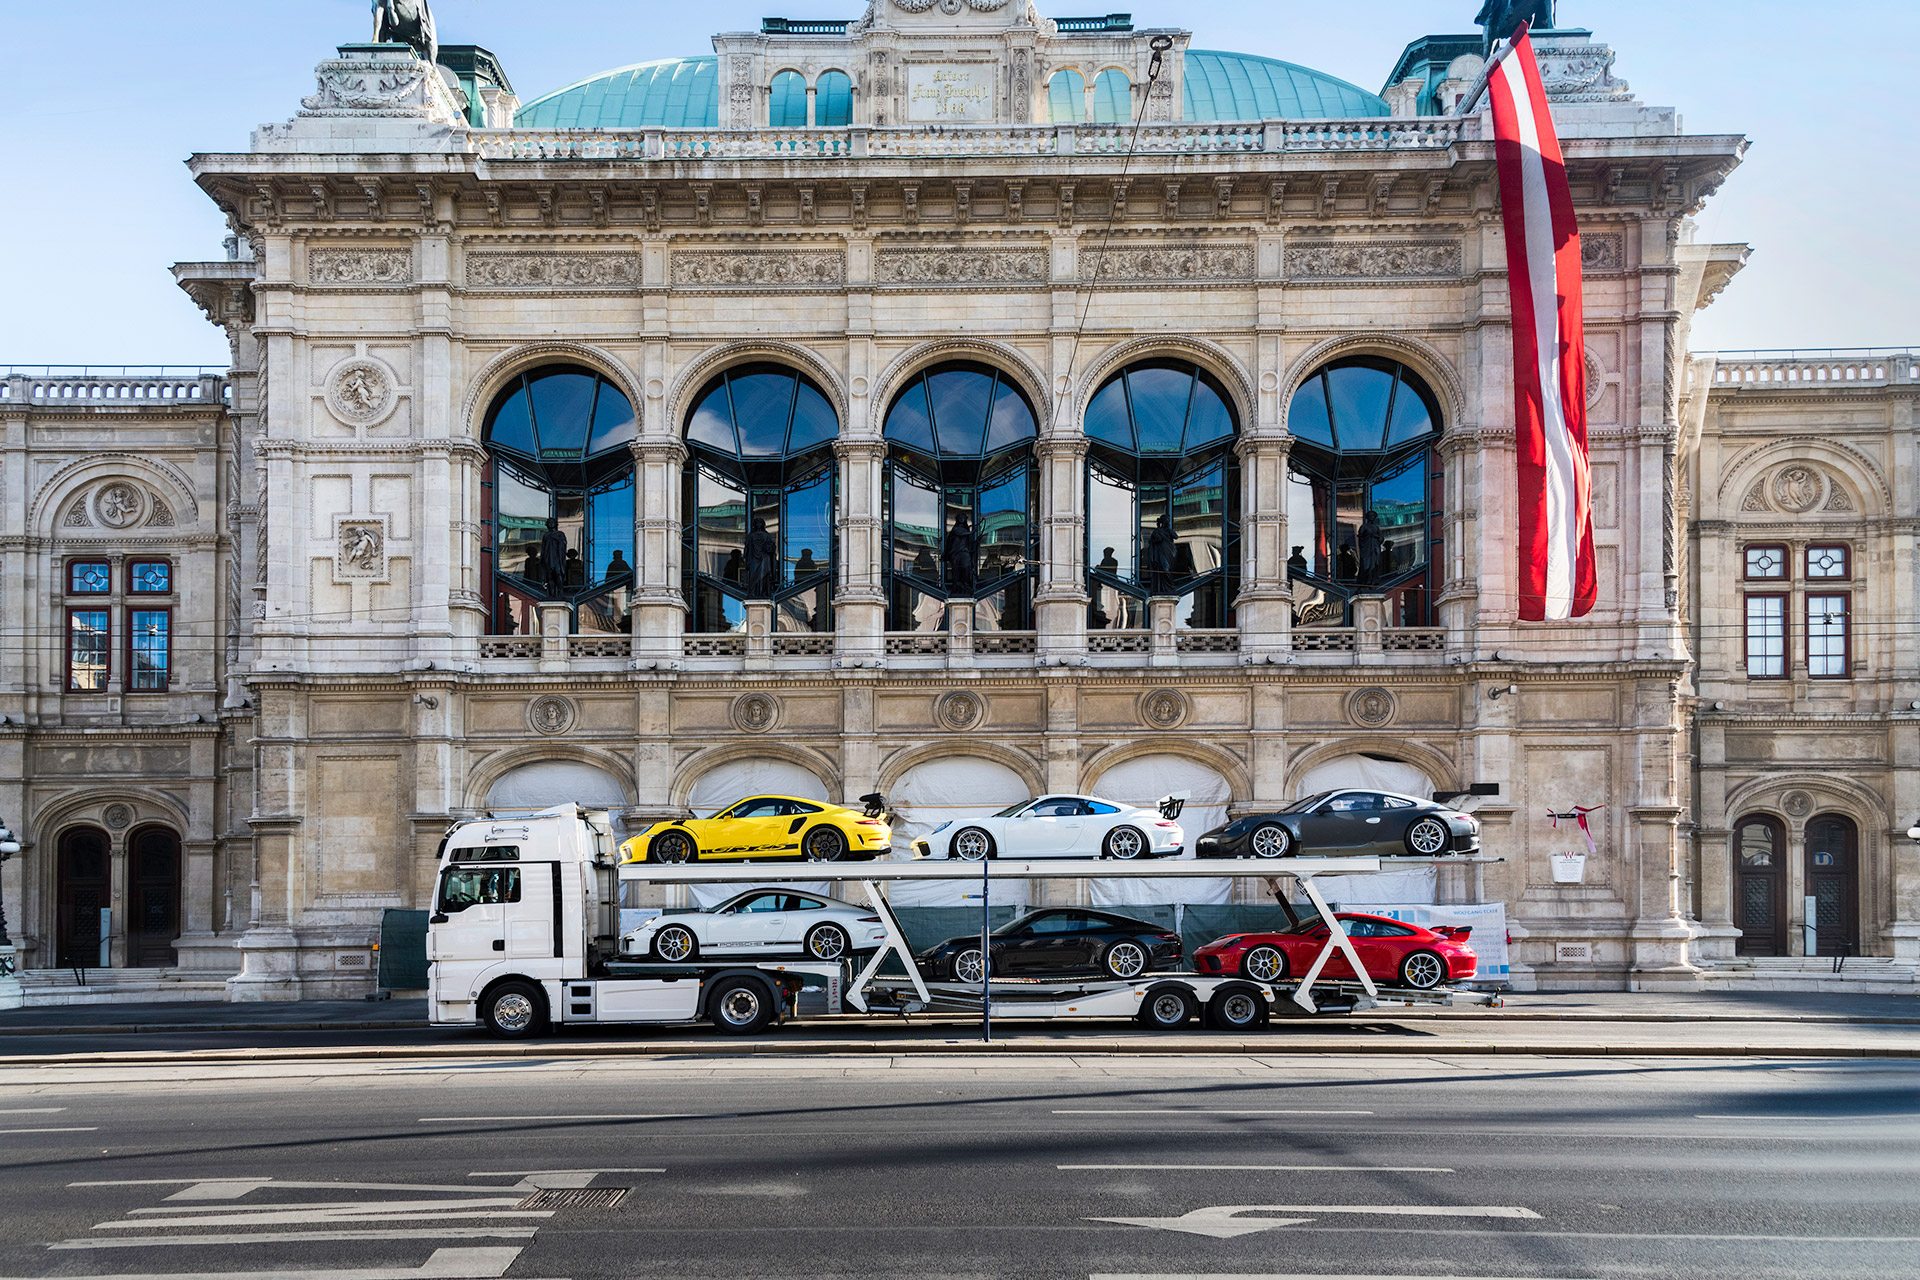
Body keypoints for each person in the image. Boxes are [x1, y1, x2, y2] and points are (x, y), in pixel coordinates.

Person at [942, 517, 977, 596]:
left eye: (963, 516)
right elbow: (960, 533)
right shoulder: (956, 529)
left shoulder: (967, 530)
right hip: (956, 553)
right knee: (957, 570)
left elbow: (970, 543)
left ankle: (966, 585)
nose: (962, 518)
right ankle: (957, 587)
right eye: (960, 516)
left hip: (964, 551)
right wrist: (971, 533)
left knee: (966, 567)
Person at [745, 518, 778, 597]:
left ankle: (763, 592)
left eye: (760, 523)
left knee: (764, 576)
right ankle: (752, 593)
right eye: (757, 523)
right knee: (753, 575)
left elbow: (772, 548)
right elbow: (747, 547)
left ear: (763, 525)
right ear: (754, 525)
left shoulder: (767, 535)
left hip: (764, 558)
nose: (758, 525)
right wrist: (745, 558)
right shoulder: (751, 536)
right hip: (754, 558)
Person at [1144, 516, 1176, 594]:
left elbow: (1176, 536)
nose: (1168, 522)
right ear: (1163, 522)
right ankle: (1167, 587)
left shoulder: (1169, 531)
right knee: (1165, 569)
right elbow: (1152, 541)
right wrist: (1158, 539)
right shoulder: (1157, 531)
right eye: (1166, 521)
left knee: (1168, 568)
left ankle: (1169, 587)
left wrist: (1168, 529)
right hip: (1161, 552)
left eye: (1168, 521)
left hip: (1169, 552)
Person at [538, 518, 569, 597]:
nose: (551, 524)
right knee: (550, 576)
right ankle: (552, 593)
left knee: (558, 573)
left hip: (557, 557)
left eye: (552, 522)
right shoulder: (546, 535)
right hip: (548, 557)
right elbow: (543, 548)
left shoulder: (560, 534)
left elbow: (564, 544)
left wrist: (557, 539)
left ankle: (560, 591)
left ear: (555, 524)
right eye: (549, 523)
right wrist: (542, 559)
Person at [1357, 509, 1384, 583]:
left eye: (1373, 516)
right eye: (1370, 516)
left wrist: (1376, 537)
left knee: (1374, 565)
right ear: (1367, 517)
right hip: (1367, 548)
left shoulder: (1376, 527)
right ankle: (1364, 580)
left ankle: (1372, 580)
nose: (1371, 517)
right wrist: (1367, 537)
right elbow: (1360, 537)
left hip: (1375, 548)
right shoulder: (1364, 527)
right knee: (1366, 565)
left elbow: (1381, 537)